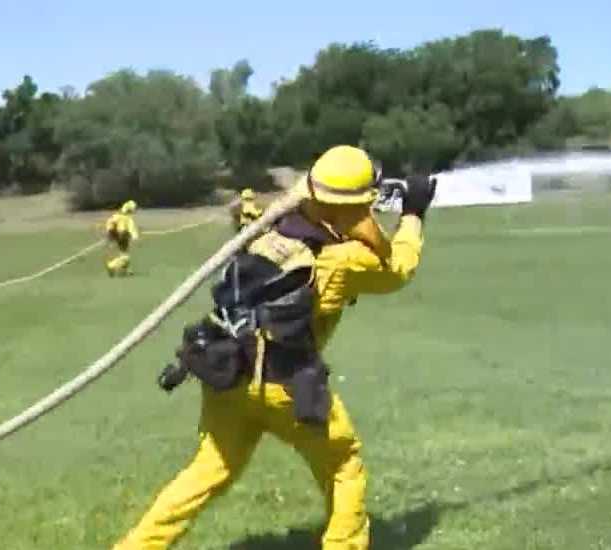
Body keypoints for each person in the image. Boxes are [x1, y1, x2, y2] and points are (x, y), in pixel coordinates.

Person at [113, 145, 436, 549]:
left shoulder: (268, 228)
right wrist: (413, 215)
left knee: (209, 468)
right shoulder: (341, 258)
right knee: (342, 464)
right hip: (285, 385)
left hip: (228, 371)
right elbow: (399, 269)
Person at [100, 200, 140, 277]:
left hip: (117, 236)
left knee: (124, 254)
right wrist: (135, 237)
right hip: (123, 237)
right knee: (125, 256)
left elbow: (109, 224)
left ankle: (125, 270)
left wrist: (110, 234)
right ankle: (111, 266)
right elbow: (132, 229)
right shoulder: (127, 218)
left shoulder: (116, 215)